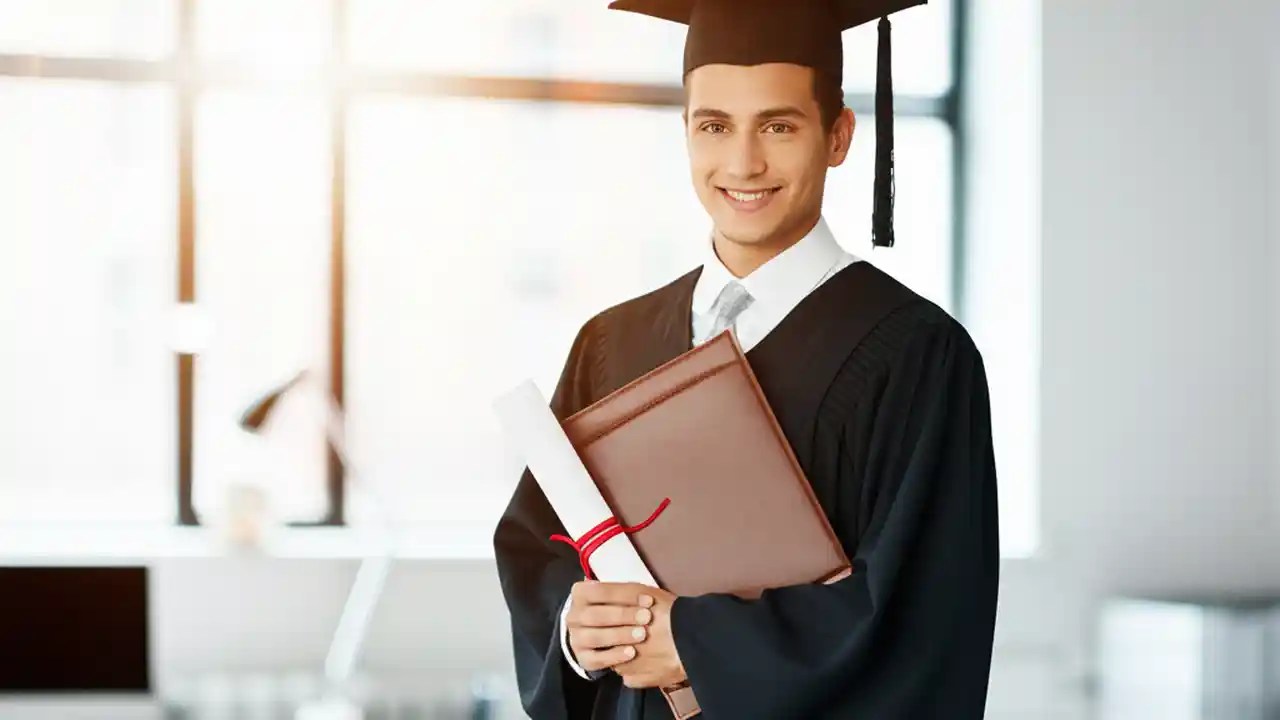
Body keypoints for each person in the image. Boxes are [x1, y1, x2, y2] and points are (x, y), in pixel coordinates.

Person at [493, 0, 1000, 717]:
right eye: (715, 126)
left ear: (839, 135)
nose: (743, 162)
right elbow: (539, 549)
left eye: (779, 126)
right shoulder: (611, 343)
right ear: (686, 135)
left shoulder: (918, 356)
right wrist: (577, 636)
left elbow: (923, 622)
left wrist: (697, 640)